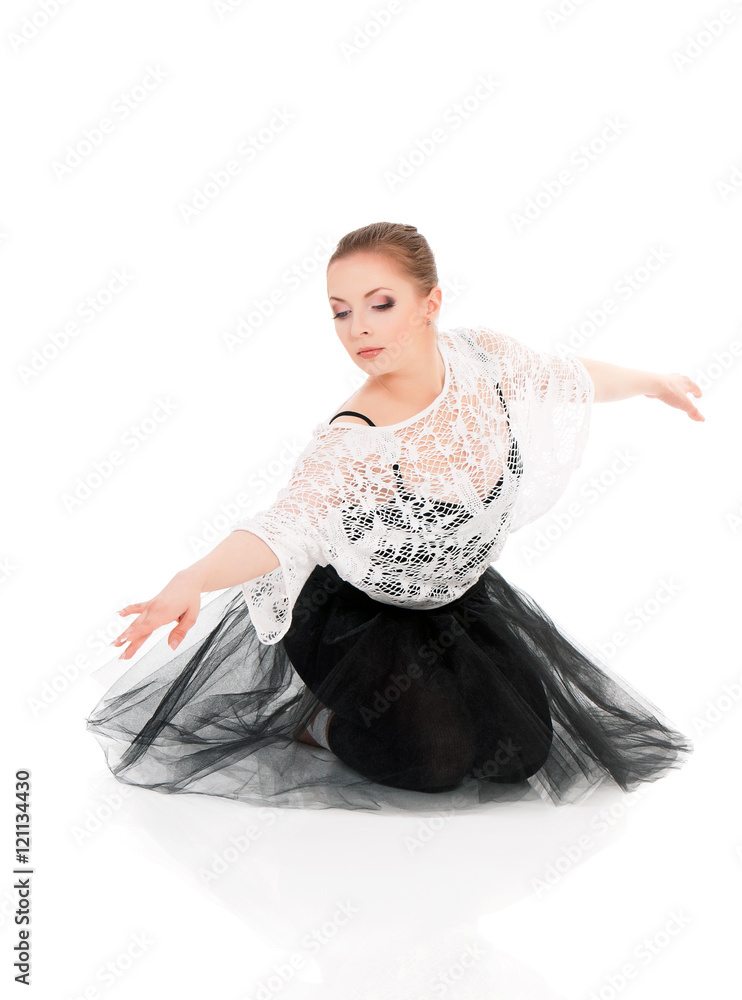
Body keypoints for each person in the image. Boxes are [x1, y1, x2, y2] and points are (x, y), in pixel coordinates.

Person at [86, 221, 702, 812]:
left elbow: (563, 377)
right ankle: (318, 722)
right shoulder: (355, 435)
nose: (356, 328)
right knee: (434, 761)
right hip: (348, 612)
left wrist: (653, 382)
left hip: (449, 599)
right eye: (340, 310)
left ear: (430, 303)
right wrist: (194, 577)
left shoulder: (482, 359)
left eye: (379, 304)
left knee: (520, 754)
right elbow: (289, 523)